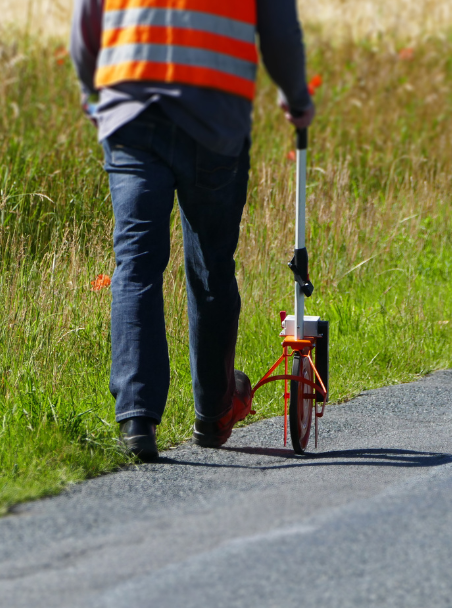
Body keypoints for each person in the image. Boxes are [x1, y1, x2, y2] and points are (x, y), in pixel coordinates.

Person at [70, 0, 315, 461]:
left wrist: (91, 91)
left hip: (132, 116)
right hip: (213, 117)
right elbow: (280, 33)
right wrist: (296, 97)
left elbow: (87, 23)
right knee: (211, 265)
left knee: (137, 263)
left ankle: (136, 420)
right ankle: (214, 411)